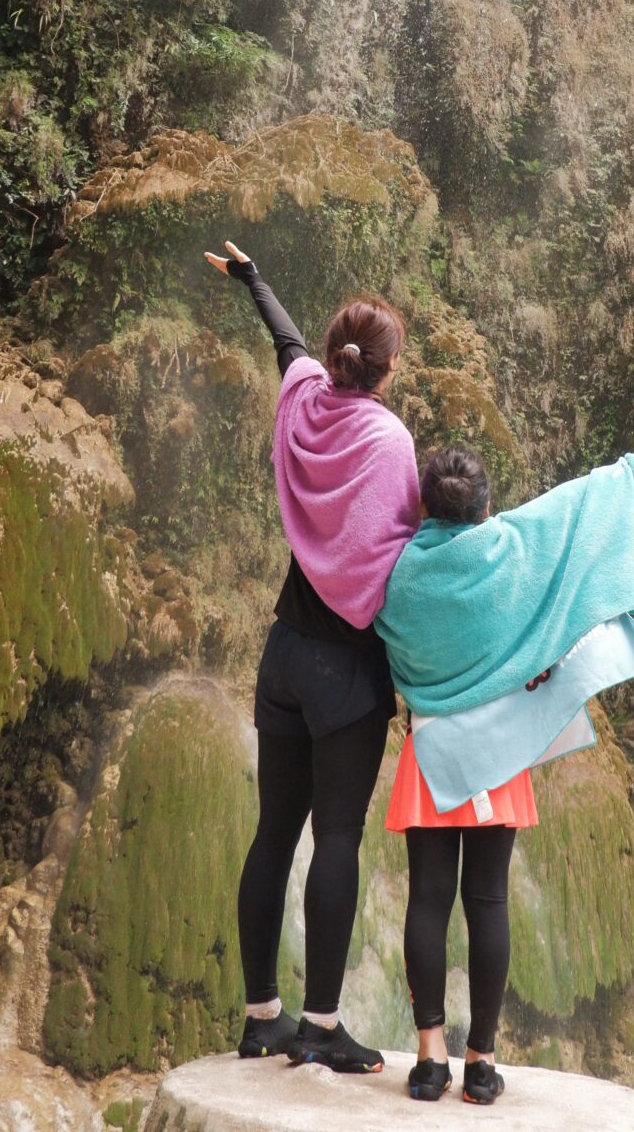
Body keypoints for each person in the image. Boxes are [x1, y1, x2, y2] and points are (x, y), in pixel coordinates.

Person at [379, 441, 634, 1106]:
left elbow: (379, 630)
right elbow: (570, 513)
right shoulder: (509, 546)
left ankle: (428, 1060)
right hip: (500, 754)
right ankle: (480, 1063)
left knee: (427, 899)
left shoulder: (401, 575)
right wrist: (623, 475)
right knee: (488, 902)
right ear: (485, 507)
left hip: (431, 751)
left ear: (424, 505)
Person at [204, 237, 420, 1075]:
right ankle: (322, 1027)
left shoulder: (303, 399)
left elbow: (285, 345)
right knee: (335, 840)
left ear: (337, 358)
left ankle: (262, 1018)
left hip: (282, 655)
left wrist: (255, 279)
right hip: (345, 670)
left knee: (271, 836)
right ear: (387, 372)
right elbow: (407, 551)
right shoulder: (388, 442)